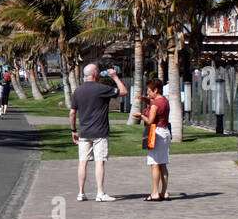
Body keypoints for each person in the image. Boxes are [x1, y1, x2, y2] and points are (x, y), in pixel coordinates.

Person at [69, 63, 128, 202]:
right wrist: (115, 77)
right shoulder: (102, 89)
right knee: (99, 162)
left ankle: (81, 192)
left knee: (82, 162)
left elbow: (72, 113)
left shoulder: (78, 91)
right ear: (95, 74)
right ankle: (100, 193)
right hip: (100, 132)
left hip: (84, 132)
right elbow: (124, 92)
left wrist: (73, 130)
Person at [131, 77, 171, 201]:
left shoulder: (155, 104)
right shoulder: (164, 101)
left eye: (149, 91)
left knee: (154, 164)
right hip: (165, 132)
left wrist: (141, 115)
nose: (148, 93)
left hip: (156, 133)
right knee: (163, 163)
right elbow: (155, 104)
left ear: (156, 90)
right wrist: (145, 99)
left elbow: (150, 121)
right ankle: (164, 191)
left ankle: (154, 192)